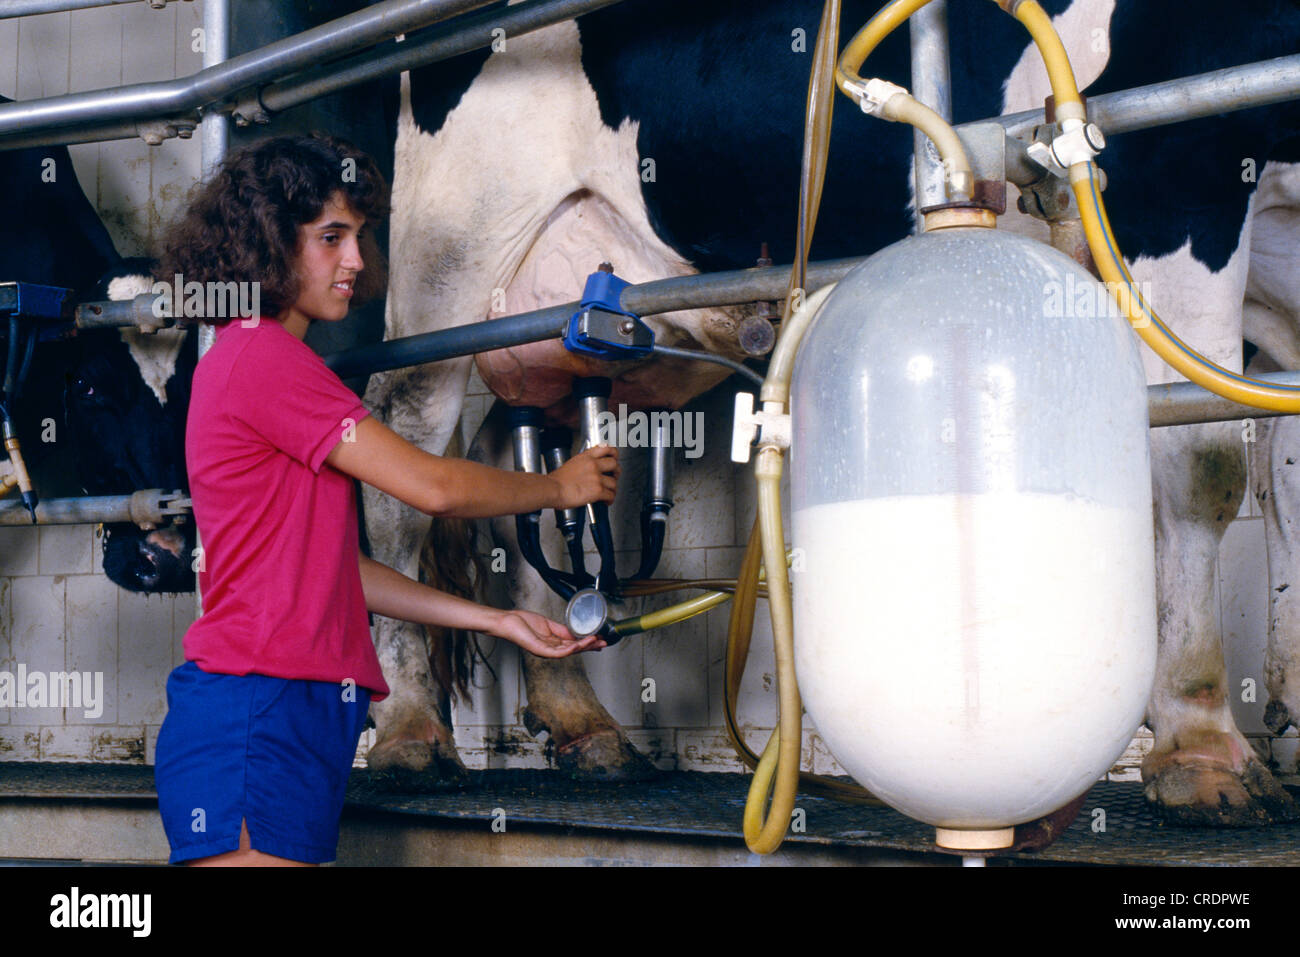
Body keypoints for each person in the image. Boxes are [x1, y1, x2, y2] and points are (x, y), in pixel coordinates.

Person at [152, 133, 619, 867]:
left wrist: (497, 618)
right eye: (331, 237)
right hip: (255, 715)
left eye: (360, 237)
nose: (356, 262)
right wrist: (562, 485)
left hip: (292, 713)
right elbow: (435, 486)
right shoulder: (264, 358)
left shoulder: (260, 359)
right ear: (269, 243)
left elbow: (339, 573)